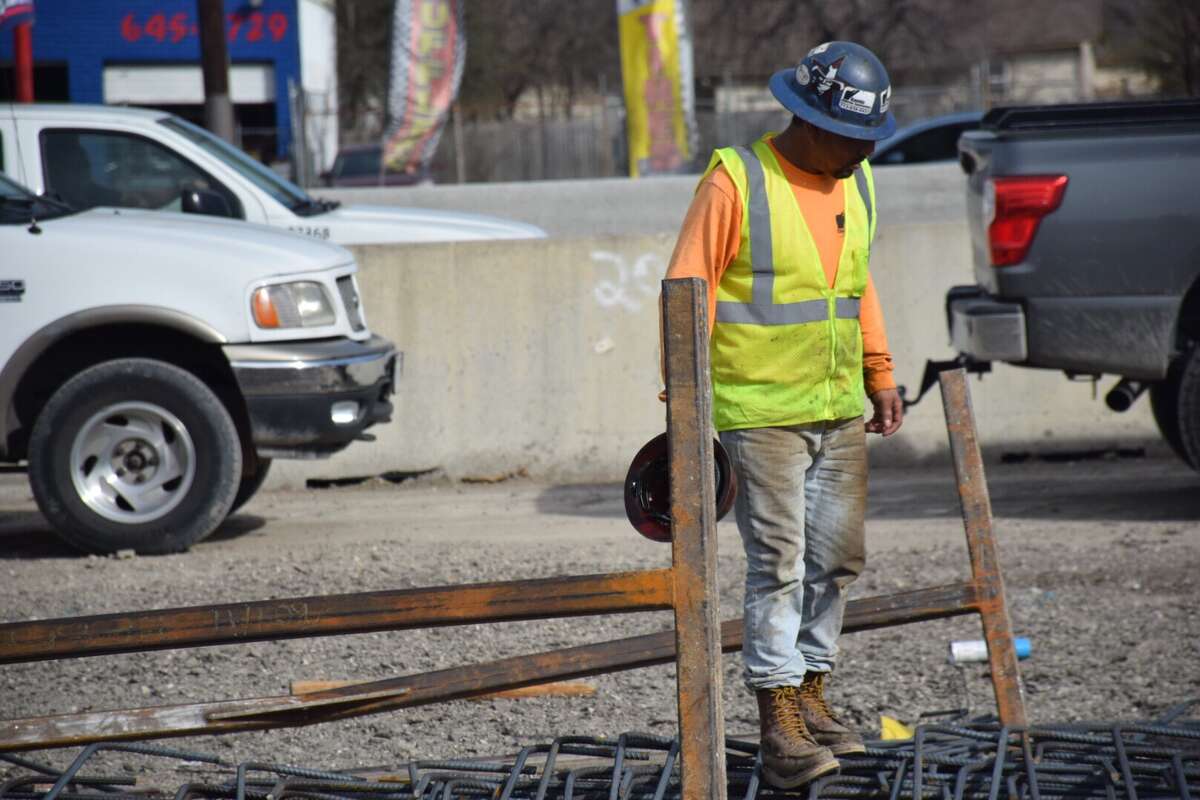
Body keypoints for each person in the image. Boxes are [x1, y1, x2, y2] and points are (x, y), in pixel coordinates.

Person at [662, 41, 904, 789]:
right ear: (807, 118)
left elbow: (856, 287)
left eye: (871, 140)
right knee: (778, 564)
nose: (866, 151)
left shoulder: (856, 183)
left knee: (838, 559)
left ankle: (811, 693)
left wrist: (879, 371)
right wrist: (684, 408)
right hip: (759, 410)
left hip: (835, 407)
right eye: (854, 137)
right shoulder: (738, 180)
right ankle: (778, 725)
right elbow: (685, 289)